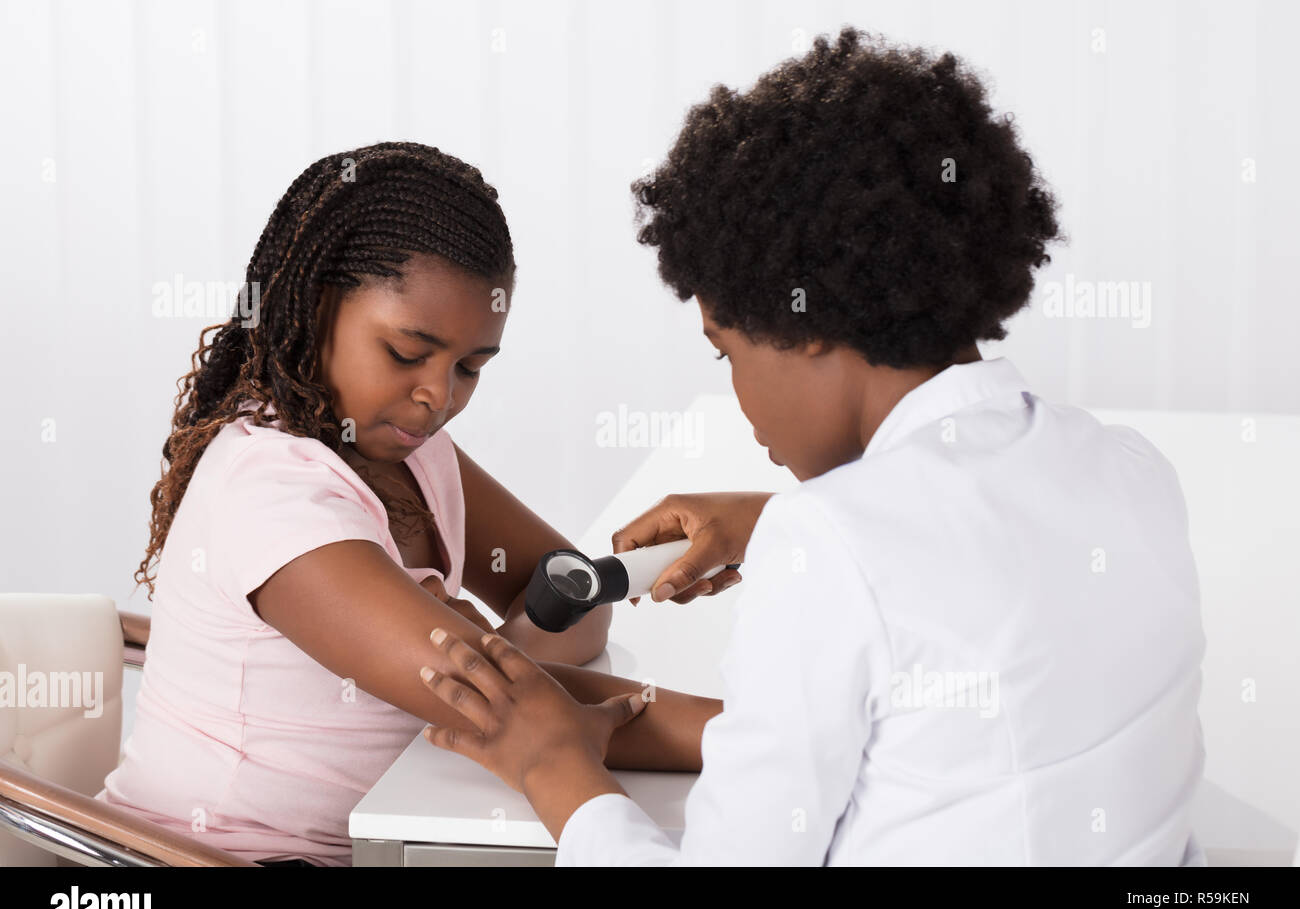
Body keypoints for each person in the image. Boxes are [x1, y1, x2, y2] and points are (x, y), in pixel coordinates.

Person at [416, 28, 1208, 865]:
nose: (737, 394)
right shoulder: (1130, 470)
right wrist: (781, 518)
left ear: (805, 326)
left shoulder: (828, 547)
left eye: (727, 352)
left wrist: (553, 764)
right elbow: (973, 554)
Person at [97, 142, 722, 866]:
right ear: (314, 304)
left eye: (470, 367)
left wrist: (509, 664)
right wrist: (756, 735)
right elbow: (497, 696)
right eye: (405, 353)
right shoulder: (271, 492)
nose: (439, 396)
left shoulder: (410, 451)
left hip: (397, 834)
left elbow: (565, 591)